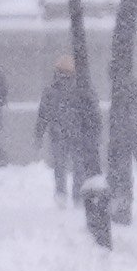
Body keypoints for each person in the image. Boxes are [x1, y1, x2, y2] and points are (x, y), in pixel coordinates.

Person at [35, 58, 92, 205]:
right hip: (76, 134)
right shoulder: (80, 89)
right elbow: (88, 113)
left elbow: (43, 115)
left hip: (58, 134)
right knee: (78, 166)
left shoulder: (50, 90)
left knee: (60, 166)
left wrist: (39, 134)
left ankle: (61, 194)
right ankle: (77, 195)